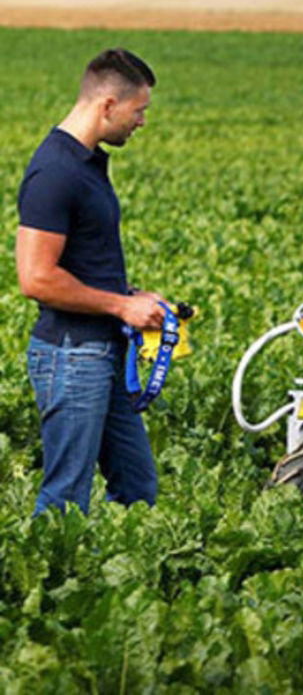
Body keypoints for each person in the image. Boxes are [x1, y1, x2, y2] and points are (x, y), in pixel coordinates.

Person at [15, 48, 171, 516]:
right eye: (138, 110)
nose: (142, 121)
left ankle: (117, 564)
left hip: (102, 352)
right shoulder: (56, 172)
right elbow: (36, 278)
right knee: (65, 498)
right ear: (107, 105)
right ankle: (48, 564)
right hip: (71, 355)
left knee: (137, 487)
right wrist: (120, 307)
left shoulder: (84, 164)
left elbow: (81, 264)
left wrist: (131, 297)